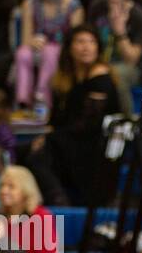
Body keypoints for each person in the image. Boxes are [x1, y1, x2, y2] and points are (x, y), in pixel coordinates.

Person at [23, 26, 119, 207]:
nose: (86, 47)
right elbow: (57, 117)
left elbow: (88, 124)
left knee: (36, 158)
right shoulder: (65, 78)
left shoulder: (101, 79)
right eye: (81, 42)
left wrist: (50, 138)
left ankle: (59, 202)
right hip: (69, 140)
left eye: (91, 42)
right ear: (69, 48)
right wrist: (47, 134)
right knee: (25, 150)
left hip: (94, 142)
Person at [14, 0, 84, 118]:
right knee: (23, 53)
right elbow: (25, 39)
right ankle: (22, 101)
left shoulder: (72, 5)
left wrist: (53, 45)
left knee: (50, 53)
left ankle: (42, 99)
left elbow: (74, 39)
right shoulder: (30, 4)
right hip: (37, 48)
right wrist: (32, 41)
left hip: (62, 49)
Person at [87, 0, 142, 115]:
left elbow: (132, 59)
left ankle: (127, 121)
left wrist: (120, 31)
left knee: (115, 74)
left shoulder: (139, 15)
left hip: (129, 68)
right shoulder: (97, 8)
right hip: (98, 61)